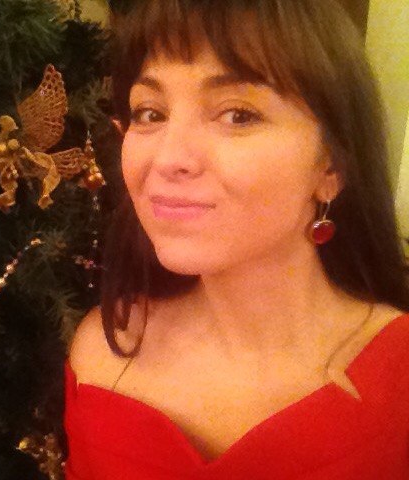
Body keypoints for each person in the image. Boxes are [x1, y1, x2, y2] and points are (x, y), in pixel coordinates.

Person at [65, 1, 409, 478]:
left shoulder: (398, 378)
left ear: (330, 167)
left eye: (238, 116)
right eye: (150, 113)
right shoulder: (101, 351)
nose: (168, 158)